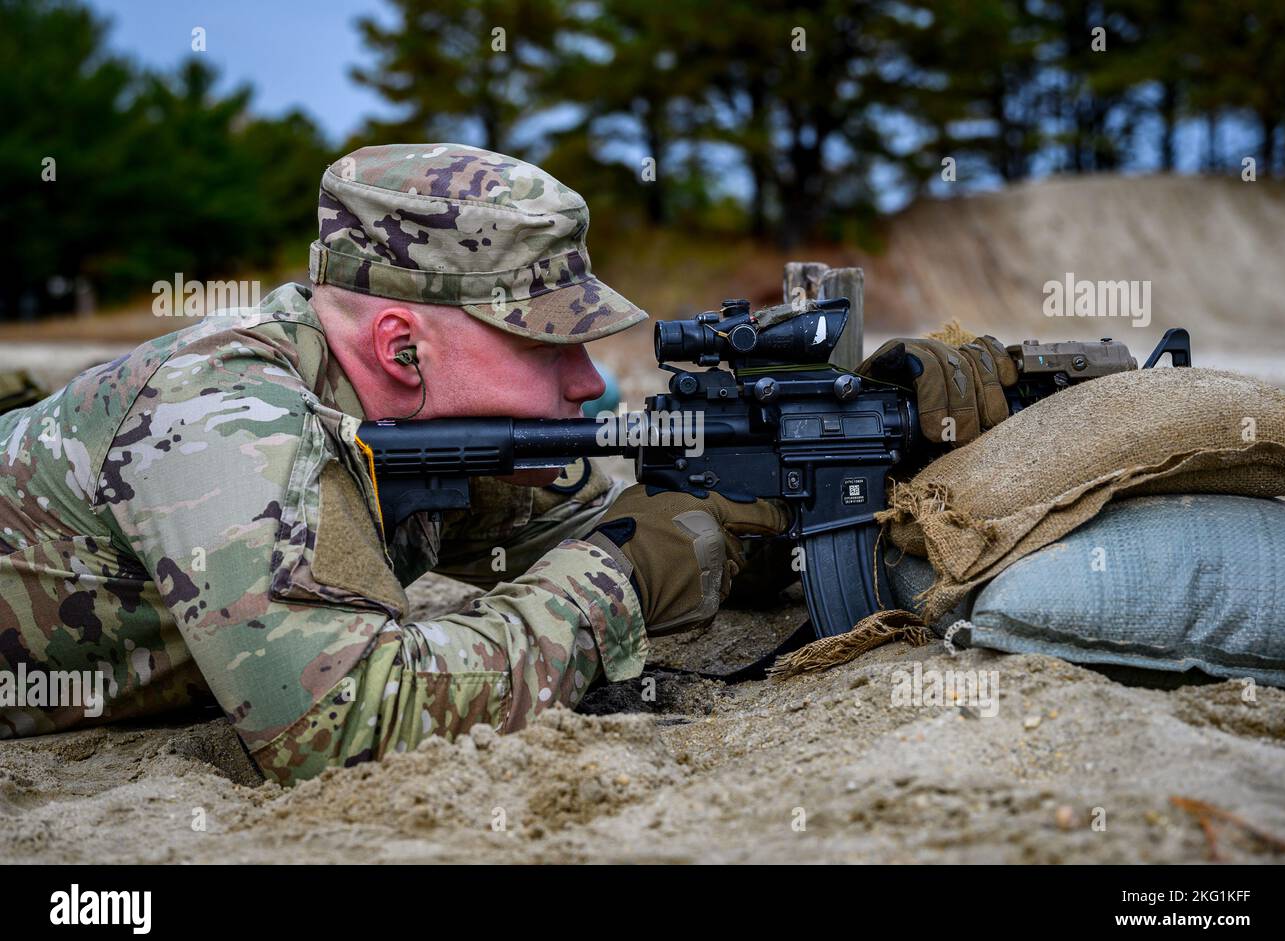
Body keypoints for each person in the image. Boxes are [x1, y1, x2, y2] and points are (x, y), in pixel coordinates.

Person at [0, 144, 791, 784]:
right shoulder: (221, 419)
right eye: (546, 344)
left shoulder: (430, 417)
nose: (587, 381)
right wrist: (616, 578)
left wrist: (786, 493)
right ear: (400, 346)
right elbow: (345, 724)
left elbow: (617, 524)